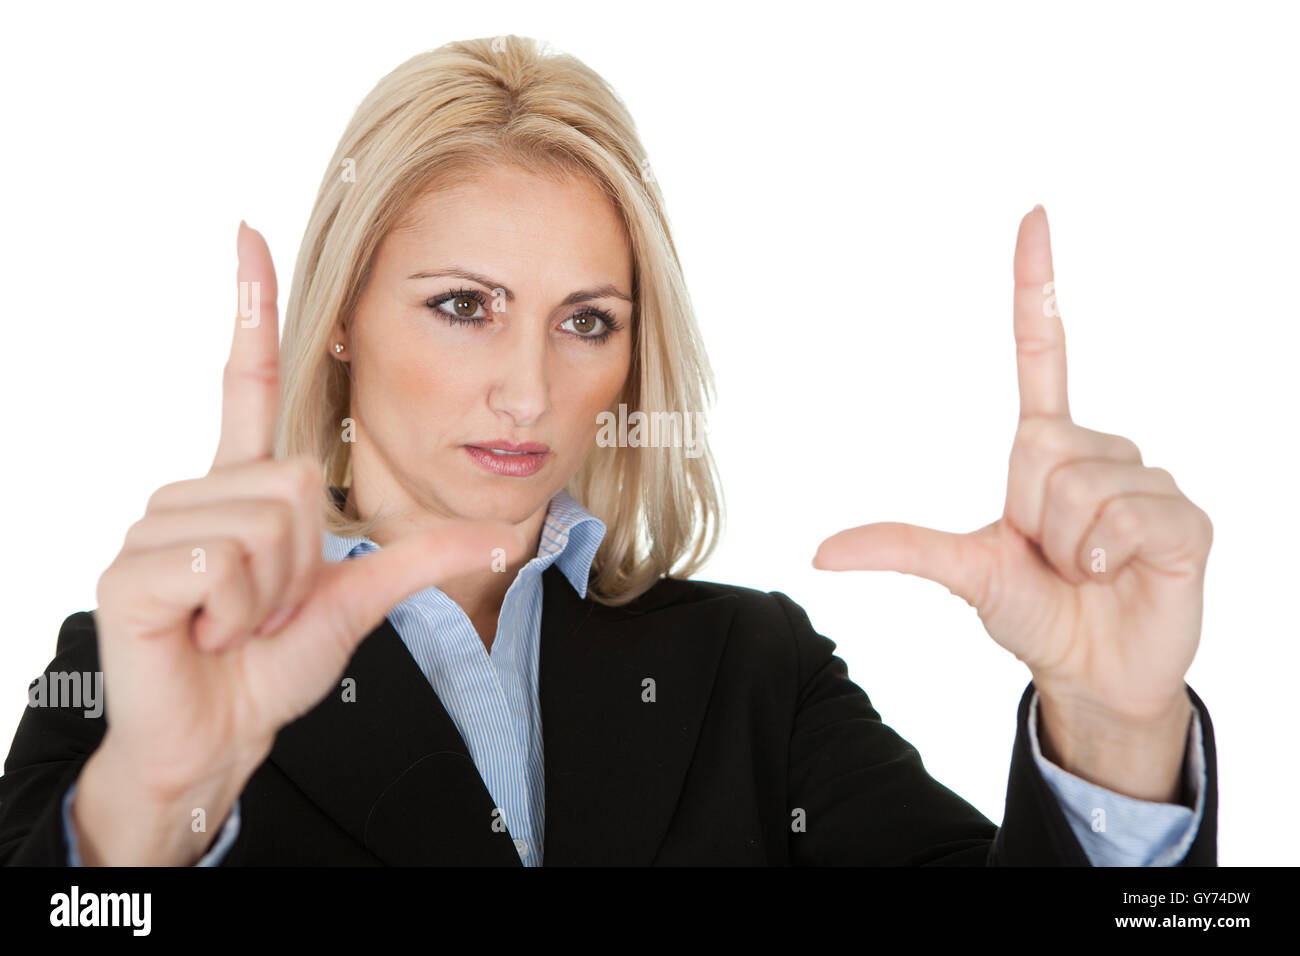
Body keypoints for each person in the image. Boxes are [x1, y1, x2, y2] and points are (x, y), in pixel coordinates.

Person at [0, 35, 1216, 866]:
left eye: (587, 321)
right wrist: (151, 812)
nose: (528, 387)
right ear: (337, 320)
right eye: (463, 304)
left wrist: (1113, 737)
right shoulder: (143, 668)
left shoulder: (754, 675)